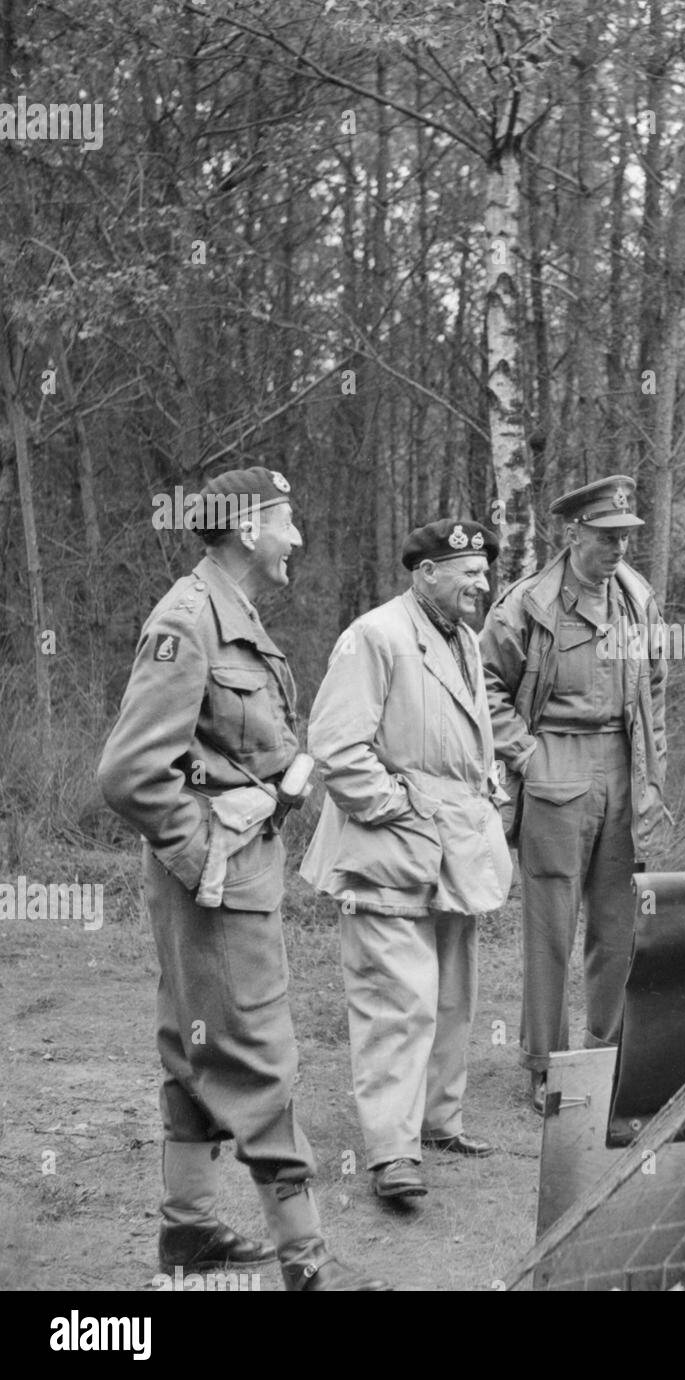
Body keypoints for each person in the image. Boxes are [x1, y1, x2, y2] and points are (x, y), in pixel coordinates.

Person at [98, 466, 389, 1291]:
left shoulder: (237, 617)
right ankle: (309, 1267)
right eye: (287, 521)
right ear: (247, 527)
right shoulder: (189, 621)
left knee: (192, 1049)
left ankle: (188, 1233)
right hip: (218, 881)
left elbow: (221, 749)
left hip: (237, 868)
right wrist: (201, 852)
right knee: (261, 1058)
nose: (297, 538)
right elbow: (128, 773)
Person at [301, 520, 512, 1200]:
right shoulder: (376, 635)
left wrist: (485, 786)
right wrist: (401, 808)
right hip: (388, 845)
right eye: (466, 571)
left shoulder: (465, 640)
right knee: (397, 1000)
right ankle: (393, 1153)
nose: (480, 583)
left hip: (456, 845)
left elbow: (465, 736)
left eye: (482, 570)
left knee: (453, 993)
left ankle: (438, 1121)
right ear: (425, 573)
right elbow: (337, 748)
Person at [479, 476, 669, 1113]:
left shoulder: (638, 597)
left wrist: (653, 778)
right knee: (550, 925)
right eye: (607, 536)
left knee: (619, 926)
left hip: (622, 759)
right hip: (556, 758)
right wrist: (526, 754)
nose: (618, 548)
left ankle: (604, 1054)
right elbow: (485, 685)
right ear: (573, 532)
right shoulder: (528, 603)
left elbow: (655, 691)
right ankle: (546, 1063)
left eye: (626, 537)